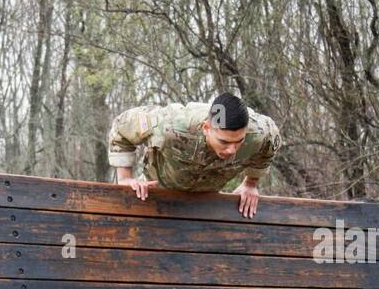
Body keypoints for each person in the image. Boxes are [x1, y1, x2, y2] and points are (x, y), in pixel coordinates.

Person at [106, 93, 281, 218]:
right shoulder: (170, 125)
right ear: (207, 128)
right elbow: (122, 127)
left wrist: (250, 183)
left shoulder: (260, 132)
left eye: (238, 141)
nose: (231, 150)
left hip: (206, 203)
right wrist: (125, 178)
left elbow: (270, 143)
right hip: (154, 195)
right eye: (224, 142)